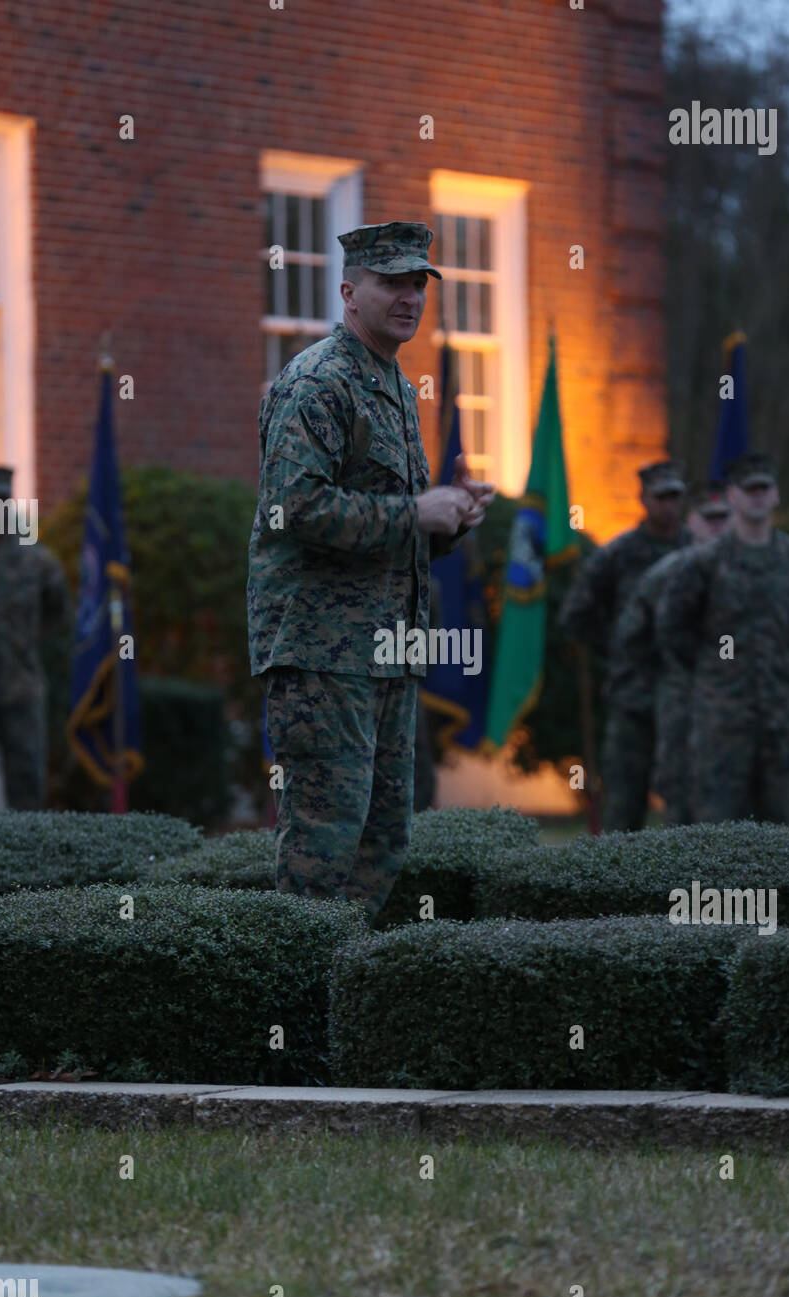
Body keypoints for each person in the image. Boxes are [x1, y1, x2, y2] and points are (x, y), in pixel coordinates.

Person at [247, 221, 494, 920]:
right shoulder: (319, 382)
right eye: (392, 283)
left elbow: (389, 528)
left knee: (383, 841)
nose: (410, 297)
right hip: (322, 653)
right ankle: (300, 980)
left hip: (387, 652)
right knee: (323, 847)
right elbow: (294, 509)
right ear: (350, 292)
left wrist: (451, 519)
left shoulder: (392, 387)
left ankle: (344, 969)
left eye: (418, 283)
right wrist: (416, 511)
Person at [656, 452, 789, 825]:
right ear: (732, 495)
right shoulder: (702, 564)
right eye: (749, 490)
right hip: (721, 723)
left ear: (776, 494)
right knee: (717, 831)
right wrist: (714, 672)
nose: (758, 497)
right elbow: (673, 629)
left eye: (764, 488)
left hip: (784, 721)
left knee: (788, 831)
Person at [560, 459, 691, 830]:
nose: (669, 506)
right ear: (643, 499)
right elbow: (576, 615)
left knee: (685, 803)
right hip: (634, 696)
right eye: (661, 497)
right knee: (625, 801)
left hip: (685, 695)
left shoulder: (697, 550)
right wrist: (618, 649)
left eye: (674, 497)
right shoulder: (618, 554)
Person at [610, 483, 733, 828]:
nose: (717, 527)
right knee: (681, 792)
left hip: (738, 702)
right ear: (690, 522)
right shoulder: (668, 573)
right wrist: (654, 681)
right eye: (709, 519)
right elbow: (631, 636)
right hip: (682, 698)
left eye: (723, 519)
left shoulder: (754, 569)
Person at [0, 464, 70, 809]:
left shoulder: (36, 560)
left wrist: (24, 644)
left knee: (27, 782)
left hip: (20, 686)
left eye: (2, 501)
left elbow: (58, 612)